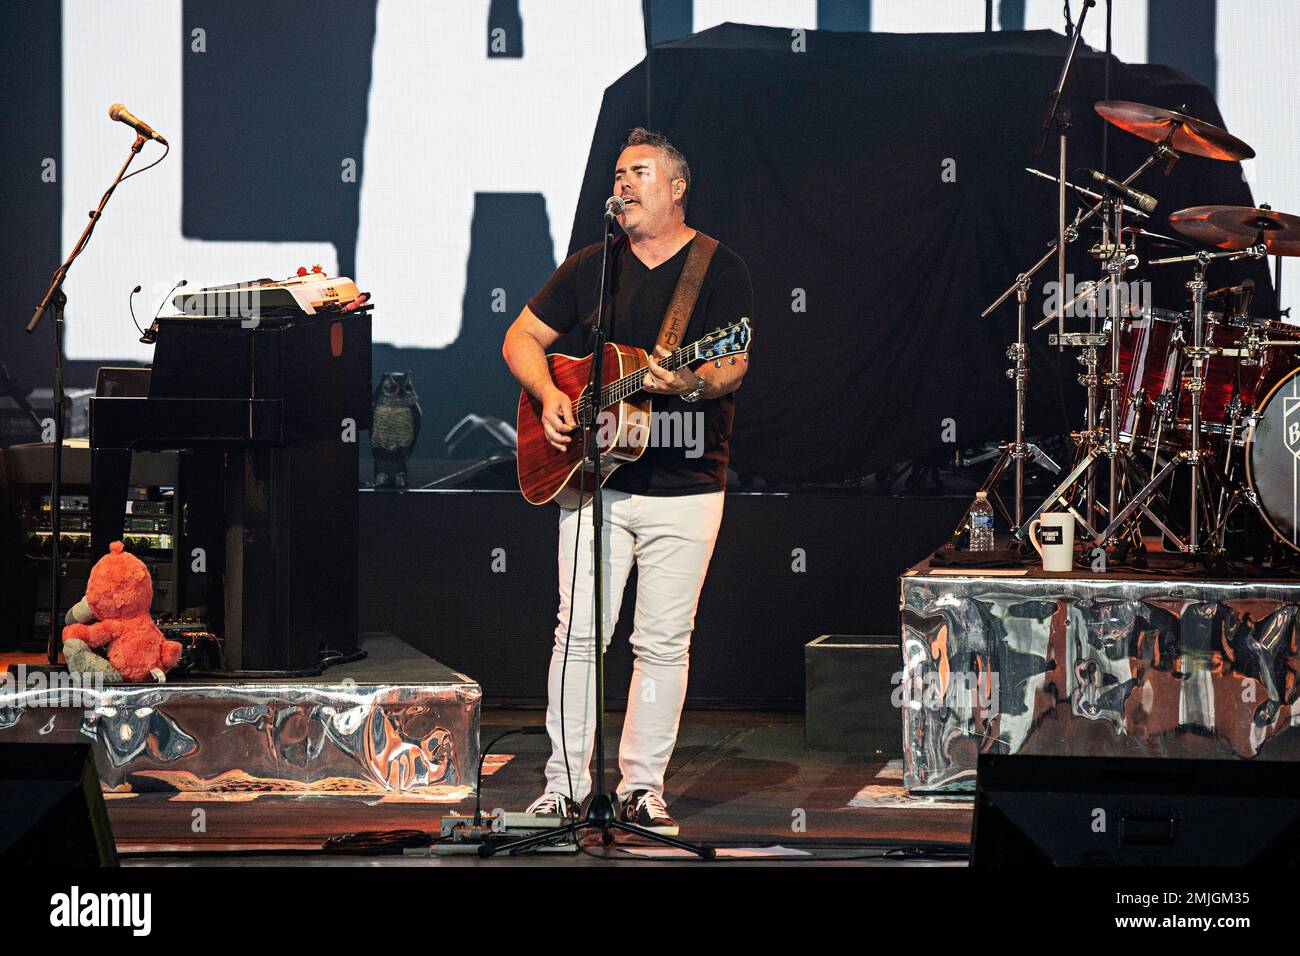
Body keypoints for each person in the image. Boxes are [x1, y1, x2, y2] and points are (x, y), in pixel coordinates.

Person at [501, 128, 753, 835]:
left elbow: (733, 362)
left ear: (676, 188)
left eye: (639, 172)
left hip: (690, 480)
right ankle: (565, 786)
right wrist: (552, 396)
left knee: (662, 641)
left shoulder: (718, 267)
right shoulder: (595, 265)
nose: (623, 183)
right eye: (618, 173)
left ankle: (643, 787)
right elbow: (520, 338)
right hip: (592, 482)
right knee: (578, 634)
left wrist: (693, 381)